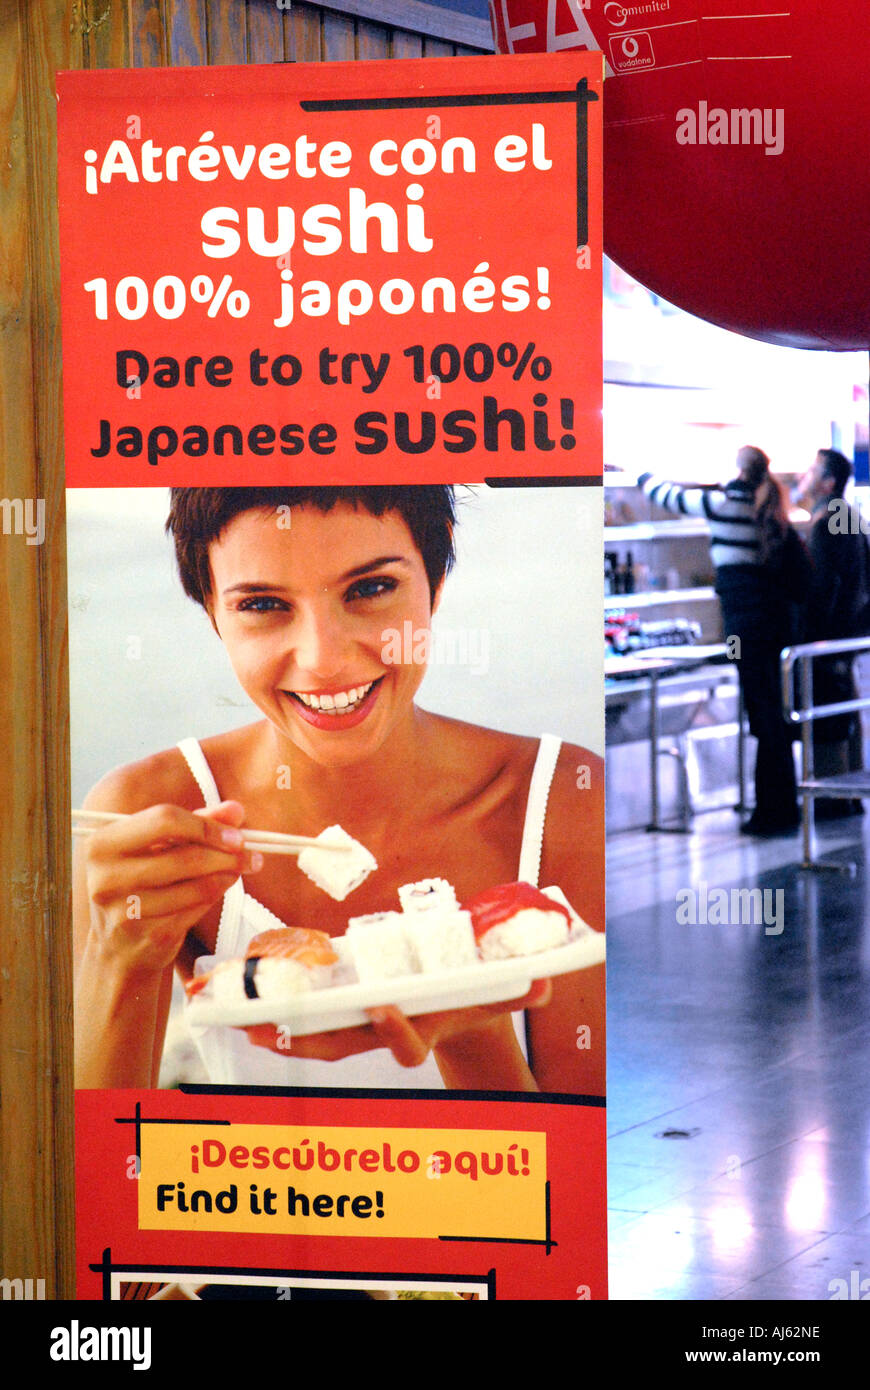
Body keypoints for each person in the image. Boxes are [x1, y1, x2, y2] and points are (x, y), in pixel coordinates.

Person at [73, 485, 604, 1094]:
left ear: (436, 576)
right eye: (264, 605)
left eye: (371, 589)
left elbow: (567, 1180)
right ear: (210, 609)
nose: (323, 660)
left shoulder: (565, 800)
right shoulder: (144, 810)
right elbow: (100, 1166)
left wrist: (464, 1026)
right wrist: (122, 957)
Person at [638, 446, 811, 836]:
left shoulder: (721, 505)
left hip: (744, 629)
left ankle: (773, 811)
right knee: (772, 717)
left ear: (737, 470)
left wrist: (639, 470)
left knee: (762, 717)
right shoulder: (769, 509)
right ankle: (782, 805)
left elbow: (666, 496)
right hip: (773, 628)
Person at [794, 448, 868, 814]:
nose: (801, 478)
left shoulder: (830, 521)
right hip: (848, 635)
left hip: (829, 640)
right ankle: (848, 796)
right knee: (845, 714)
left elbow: (826, 585)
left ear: (828, 482)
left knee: (827, 718)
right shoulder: (847, 517)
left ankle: (833, 798)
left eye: (810, 471)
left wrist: (813, 633)